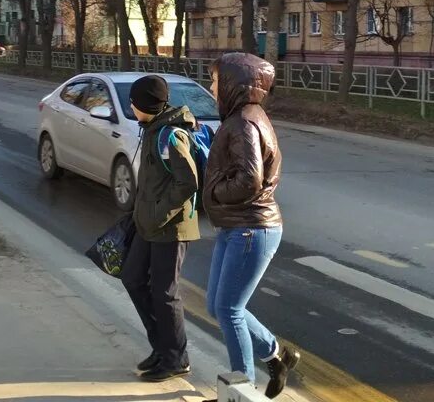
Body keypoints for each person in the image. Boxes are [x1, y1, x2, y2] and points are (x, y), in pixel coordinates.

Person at [204, 52, 299, 399]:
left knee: (229, 309)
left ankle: (241, 390)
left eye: (215, 80)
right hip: (238, 226)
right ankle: (277, 356)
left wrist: (212, 190)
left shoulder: (243, 121)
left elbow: (249, 181)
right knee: (218, 305)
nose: (211, 86)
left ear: (232, 84)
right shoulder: (241, 117)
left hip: (251, 229)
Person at [120, 74, 200, 382]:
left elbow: (188, 182)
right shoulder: (151, 130)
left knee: (164, 293)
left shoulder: (170, 136)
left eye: (134, 102)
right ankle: (162, 347)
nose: (130, 106)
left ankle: (176, 358)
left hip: (171, 228)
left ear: (145, 105)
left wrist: (157, 214)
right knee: (132, 278)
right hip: (149, 225)